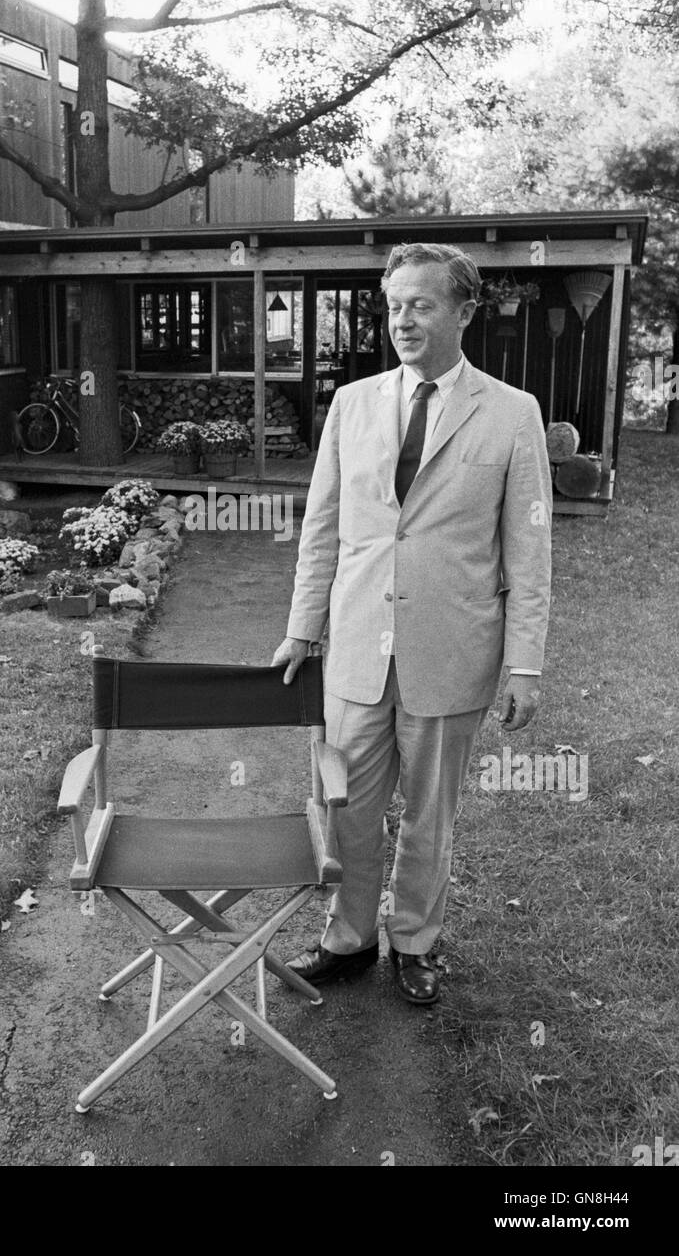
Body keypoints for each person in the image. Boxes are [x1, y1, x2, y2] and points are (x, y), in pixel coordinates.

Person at [271, 242, 551, 1004]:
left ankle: (415, 942)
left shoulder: (511, 413)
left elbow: (528, 549)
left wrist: (523, 662)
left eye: (421, 304)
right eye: (393, 305)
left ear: (463, 312)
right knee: (347, 807)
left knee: (430, 816)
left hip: (452, 652)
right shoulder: (352, 405)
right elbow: (322, 527)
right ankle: (348, 938)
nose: (402, 320)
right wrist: (303, 628)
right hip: (358, 648)